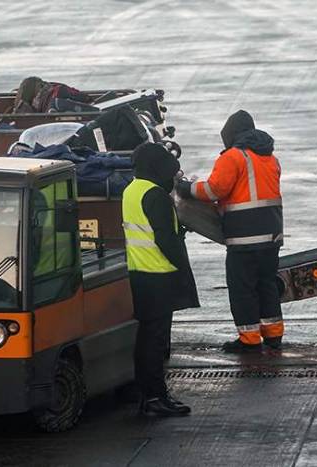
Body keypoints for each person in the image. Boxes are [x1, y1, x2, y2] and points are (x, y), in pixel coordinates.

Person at [176, 110, 284, 353]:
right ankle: (273, 334)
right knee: (266, 284)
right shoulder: (270, 158)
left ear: (231, 135)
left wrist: (186, 188)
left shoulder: (234, 157)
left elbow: (214, 190)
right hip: (271, 235)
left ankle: (249, 340)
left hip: (244, 237)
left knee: (242, 289)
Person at [123, 142, 200, 416]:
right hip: (159, 274)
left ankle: (147, 393)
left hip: (140, 274)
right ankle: (155, 398)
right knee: (155, 342)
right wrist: (182, 270)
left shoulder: (132, 190)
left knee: (146, 338)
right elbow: (165, 239)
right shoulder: (155, 195)